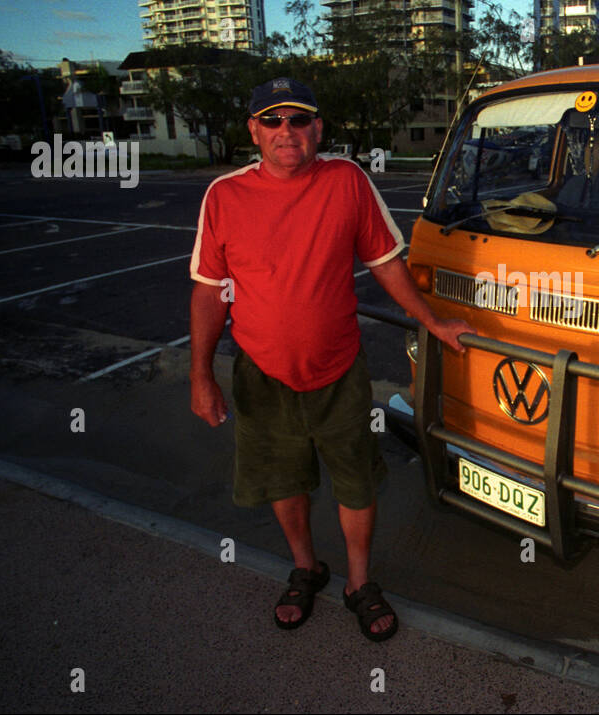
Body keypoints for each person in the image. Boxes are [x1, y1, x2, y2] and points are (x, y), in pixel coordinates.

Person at [189, 77, 472, 641]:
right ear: (253, 131)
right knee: (282, 483)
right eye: (272, 120)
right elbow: (207, 289)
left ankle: (358, 583)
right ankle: (305, 567)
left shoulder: (346, 181)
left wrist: (432, 320)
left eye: (298, 120)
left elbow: (387, 261)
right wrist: (201, 376)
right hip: (260, 373)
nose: (286, 132)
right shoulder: (224, 195)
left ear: (317, 128)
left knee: (356, 483)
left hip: (340, 371)